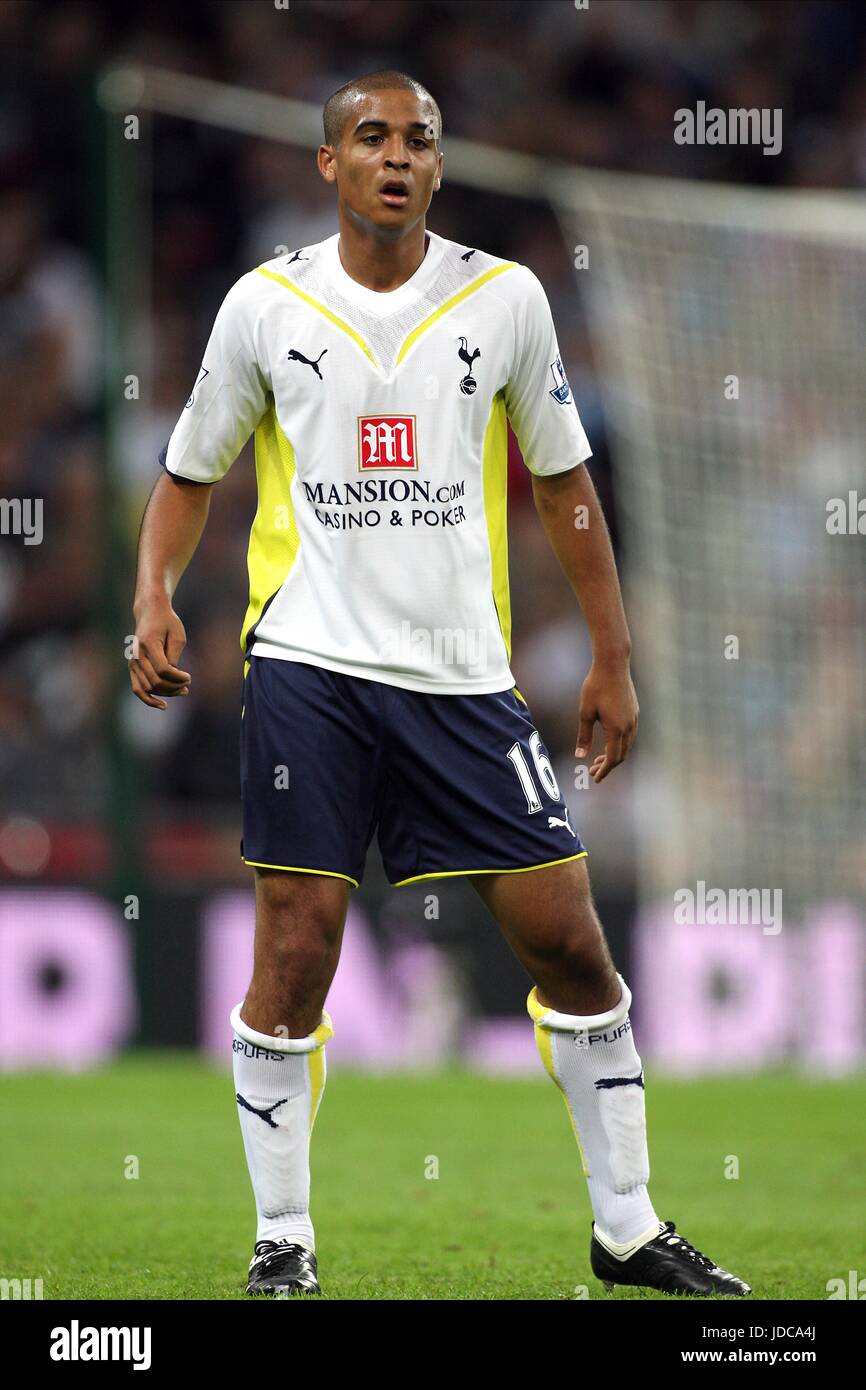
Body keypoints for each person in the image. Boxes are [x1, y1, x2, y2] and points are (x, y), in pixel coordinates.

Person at [130, 70, 750, 1300]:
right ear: (329, 165)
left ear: (437, 164)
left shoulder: (504, 298)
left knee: (570, 944)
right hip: (308, 663)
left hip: (464, 684)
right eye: (371, 138)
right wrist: (153, 593)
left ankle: (624, 1227)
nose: (397, 157)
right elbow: (189, 471)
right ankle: (283, 1242)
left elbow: (566, 482)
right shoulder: (264, 307)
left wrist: (614, 657)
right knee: (295, 951)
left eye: (418, 139)